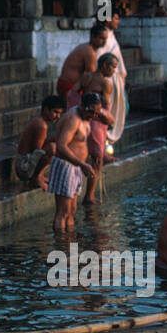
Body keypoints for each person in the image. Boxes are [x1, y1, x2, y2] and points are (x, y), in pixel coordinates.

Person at [48, 93, 102, 232]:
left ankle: (69, 244)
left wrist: (89, 157)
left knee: (72, 211)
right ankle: (61, 245)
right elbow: (61, 145)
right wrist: (82, 164)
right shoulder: (73, 119)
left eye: (96, 113)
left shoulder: (86, 117)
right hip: (65, 166)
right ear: (82, 106)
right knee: (63, 212)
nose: (94, 116)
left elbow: (80, 142)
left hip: (76, 166)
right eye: (91, 112)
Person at [76, 53, 119, 206]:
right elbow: (105, 106)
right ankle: (89, 196)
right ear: (105, 65)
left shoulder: (86, 77)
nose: (114, 71)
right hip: (97, 120)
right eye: (113, 67)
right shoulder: (105, 83)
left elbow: (72, 93)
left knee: (86, 153)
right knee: (97, 159)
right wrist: (107, 118)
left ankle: (83, 192)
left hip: (84, 116)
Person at [93, 13, 128, 146]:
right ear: (107, 19)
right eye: (116, 18)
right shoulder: (104, 37)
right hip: (108, 80)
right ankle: (104, 142)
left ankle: (106, 141)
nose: (118, 21)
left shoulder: (111, 35)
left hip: (116, 79)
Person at [15, 95, 63, 188]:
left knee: (56, 144)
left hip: (27, 163)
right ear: (45, 109)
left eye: (60, 113)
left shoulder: (39, 121)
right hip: (23, 167)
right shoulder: (41, 125)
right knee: (53, 148)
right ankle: (35, 178)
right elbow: (37, 151)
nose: (58, 116)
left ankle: (39, 176)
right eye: (55, 112)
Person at [56, 21, 110, 102]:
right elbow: (91, 77)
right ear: (93, 37)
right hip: (69, 85)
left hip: (69, 84)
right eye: (101, 38)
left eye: (106, 39)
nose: (104, 42)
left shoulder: (86, 47)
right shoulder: (89, 52)